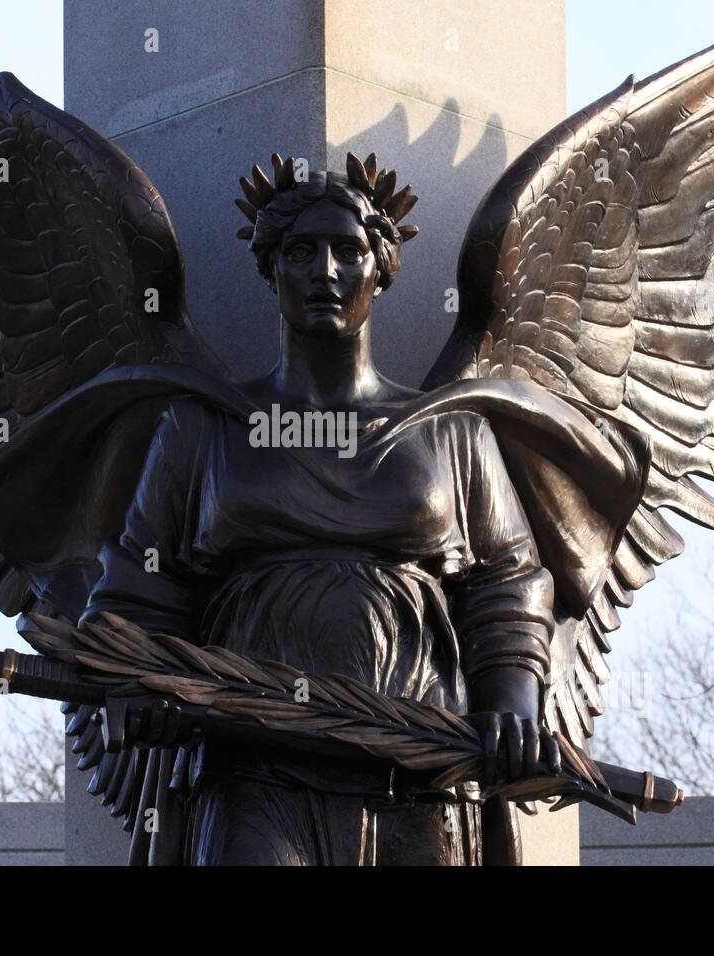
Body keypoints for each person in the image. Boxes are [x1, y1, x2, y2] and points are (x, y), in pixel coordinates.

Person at [81, 168, 560, 865]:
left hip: (421, 769)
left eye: (347, 250)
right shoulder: (203, 428)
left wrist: (513, 701)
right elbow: (140, 583)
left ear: (382, 268)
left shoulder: (450, 433)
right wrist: (135, 678)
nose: (324, 271)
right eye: (300, 252)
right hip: (250, 767)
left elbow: (508, 584)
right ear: (270, 270)